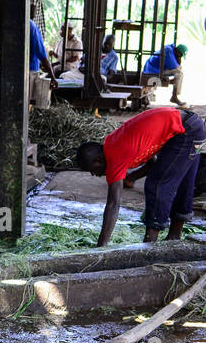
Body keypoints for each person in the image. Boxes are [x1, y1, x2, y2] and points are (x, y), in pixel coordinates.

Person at [77, 105, 206, 245]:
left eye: (91, 170)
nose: (93, 174)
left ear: (97, 161)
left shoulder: (114, 156)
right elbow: (151, 163)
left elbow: (113, 204)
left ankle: (150, 242)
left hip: (186, 131)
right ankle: (174, 236)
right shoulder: (112, 143)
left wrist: (101, 246)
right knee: (182, 181)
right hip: (191, 125)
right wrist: (132, 178)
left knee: (156, 185)